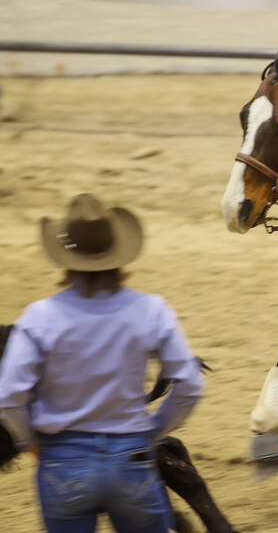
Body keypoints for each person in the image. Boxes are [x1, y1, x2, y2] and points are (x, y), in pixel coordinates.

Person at [0, 194, 205, 533]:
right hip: (130, 460)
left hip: (63, 465)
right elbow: (190, 385)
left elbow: (9, 398)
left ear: (66, 257)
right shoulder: (151, 310)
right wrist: (153, 430)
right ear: (119, 255)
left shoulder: (39, 317)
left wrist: (31, 442)